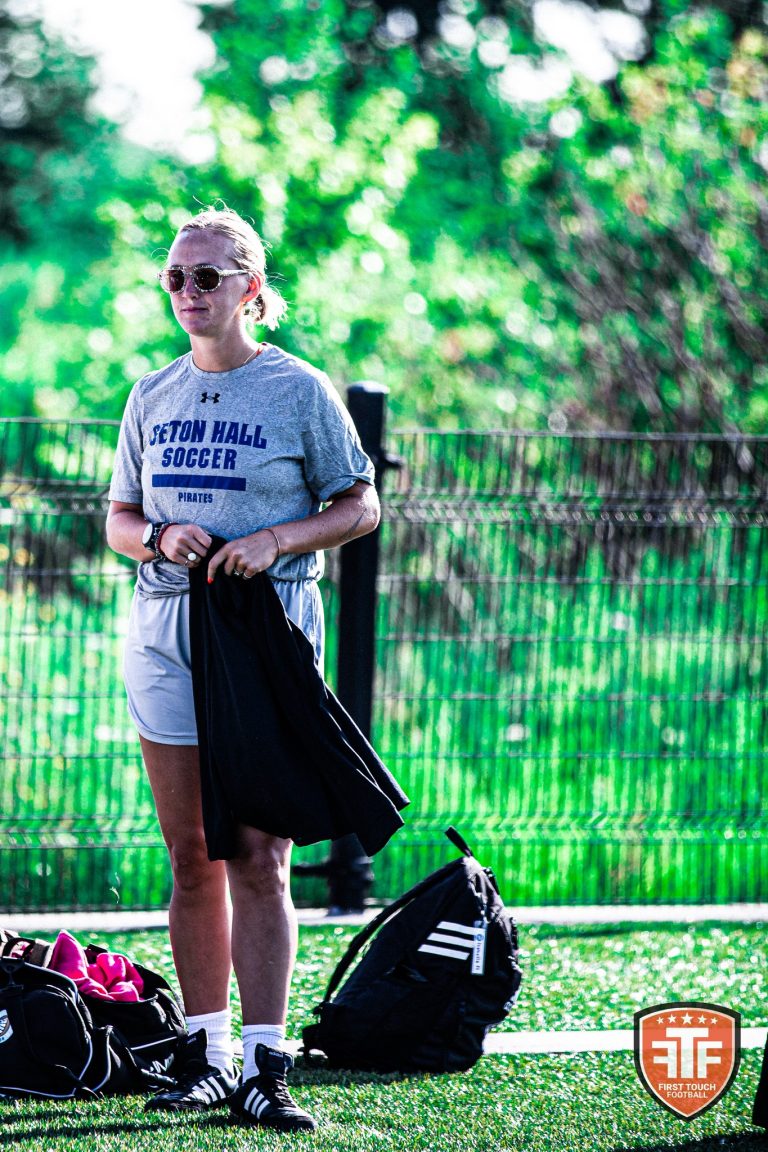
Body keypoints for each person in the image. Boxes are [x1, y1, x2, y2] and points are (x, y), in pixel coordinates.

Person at [106, 205, 382, 1132]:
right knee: (191, 857)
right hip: (166, 636)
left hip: (264, 639)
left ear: (252, 289)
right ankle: (208, 1052)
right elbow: (116, 521)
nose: (189, 292)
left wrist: (274, 538)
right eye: (175, 278)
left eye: (208, 277)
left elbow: (360, 505)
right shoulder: (152, 393)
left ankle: (267, 1061)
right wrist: (157, 535)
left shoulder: (299, 389)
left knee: (262, 855)